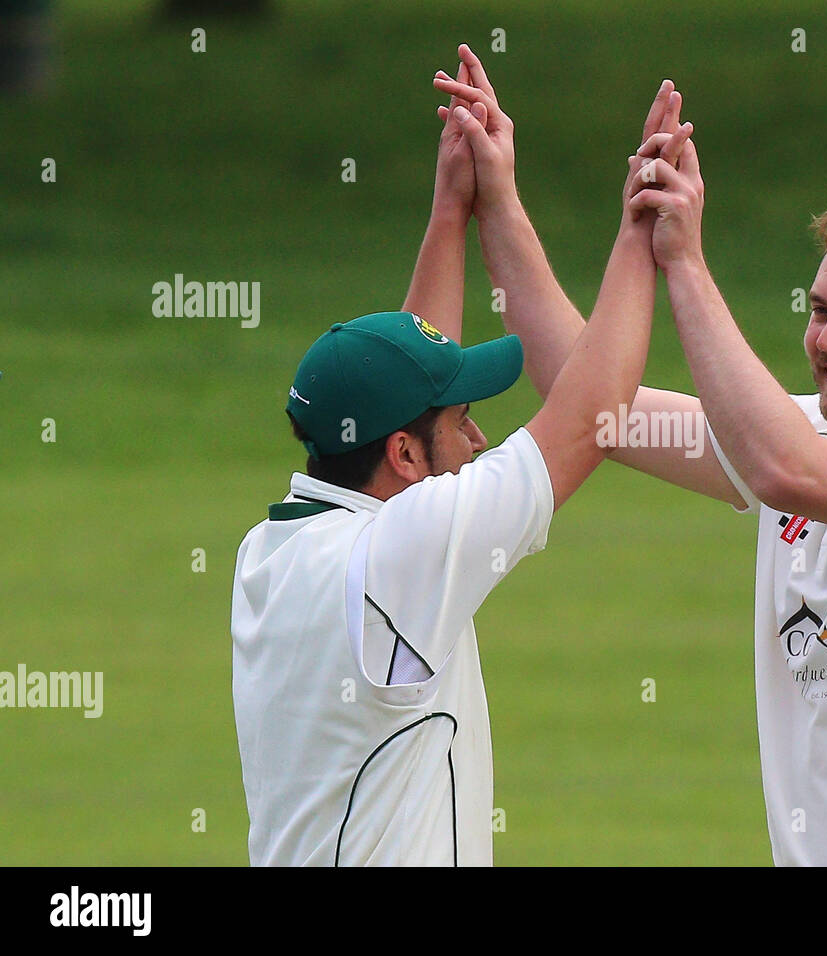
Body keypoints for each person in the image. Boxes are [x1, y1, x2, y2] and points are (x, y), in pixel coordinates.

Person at [436, 46, 827, 866]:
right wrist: (500, 202)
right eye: (820, 310)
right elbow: (587, 398)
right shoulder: (810, 434)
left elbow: (787, 473)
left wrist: (685, 262)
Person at [230, 63, 692, 866]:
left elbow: (410, 382)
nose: (479, 440)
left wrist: (453, 209)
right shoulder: (397, 558)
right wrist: (638, 233)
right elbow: (589, 421)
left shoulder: (276, 548)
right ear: (404, 456)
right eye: (465, 421)